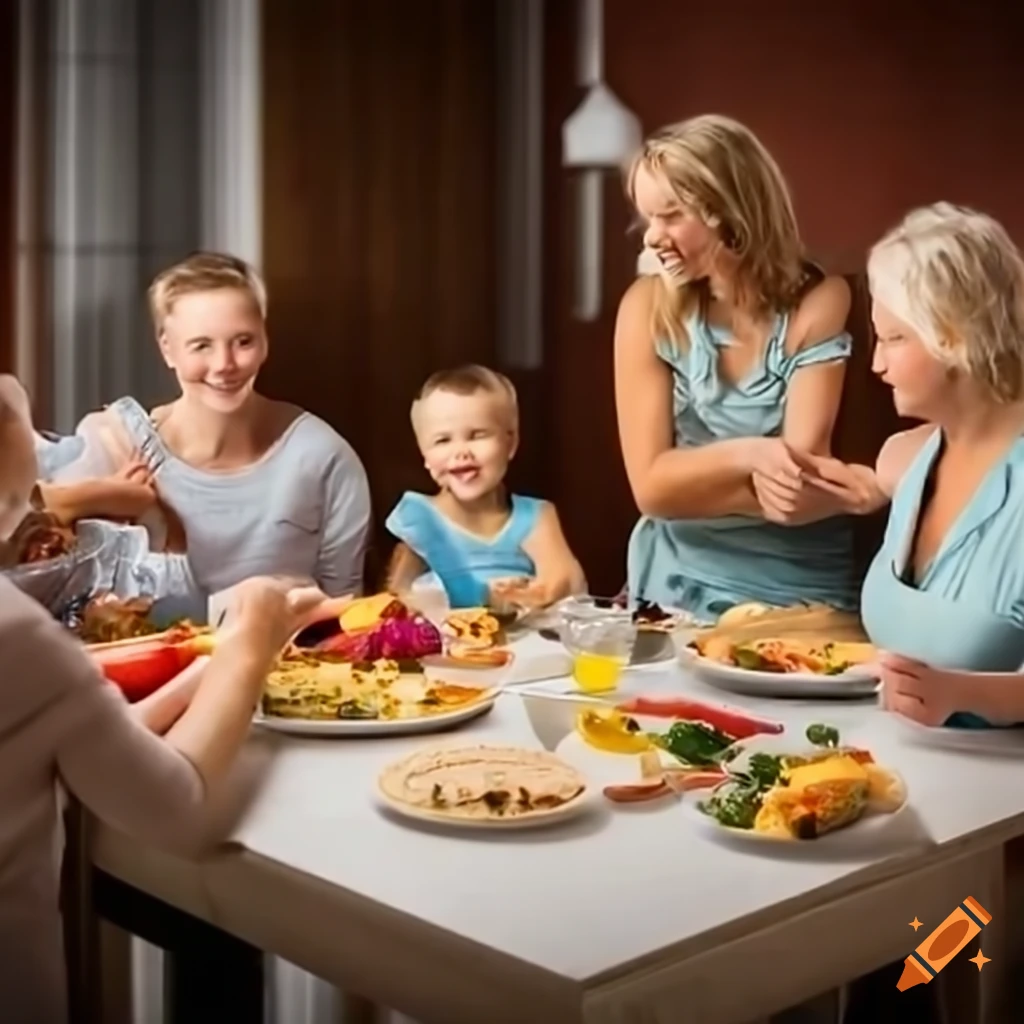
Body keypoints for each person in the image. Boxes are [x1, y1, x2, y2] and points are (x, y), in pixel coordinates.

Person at [0, 372, 333, 1024]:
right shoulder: (18, 636)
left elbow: (74, 724)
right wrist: (248, 645)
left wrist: (221, 659)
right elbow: (178, 813)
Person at [615, 114, 858, 621]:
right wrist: (754, 453)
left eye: (671, 216)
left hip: (798, 587)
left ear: (731, 213)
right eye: (647, 219)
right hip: (675, 584)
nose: (650, 238)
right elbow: (651, 490)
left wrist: (694, 482)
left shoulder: (821, 300)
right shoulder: (644, 307)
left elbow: (793, 488)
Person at [797, 203, 1024, 729]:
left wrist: (966, 693)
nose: (876, 363)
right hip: (893, 771)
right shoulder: (903, 461)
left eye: (895, 339)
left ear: (957, 337)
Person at [51, 252, 371, 613]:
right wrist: (102, 501)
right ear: (167, 349)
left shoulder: (325, 458)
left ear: (265, 339)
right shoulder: (113, 442)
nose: (224, 366)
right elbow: (42, 575)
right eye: (202, 345)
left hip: (290, 668)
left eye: (243, 341)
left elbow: (347, 613)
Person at [385, 365, 586, 609]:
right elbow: (397, 598)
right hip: (448, 642)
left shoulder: (535, 516)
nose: (461, 452)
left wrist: (528, 595)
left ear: (509, 443)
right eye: (442, 440)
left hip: (525, 641)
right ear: (424, 455)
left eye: (477, 435)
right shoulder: (420, 519)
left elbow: (563, 580)